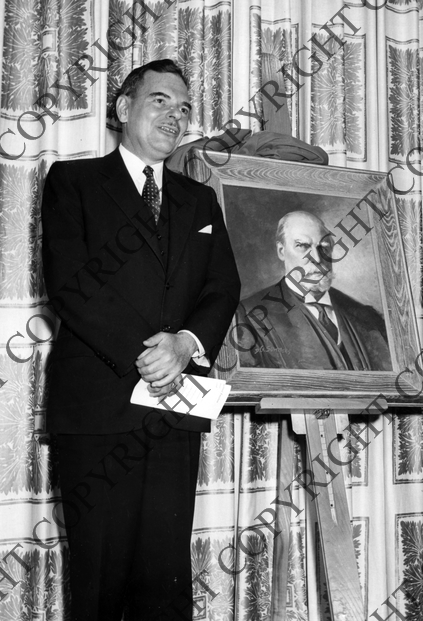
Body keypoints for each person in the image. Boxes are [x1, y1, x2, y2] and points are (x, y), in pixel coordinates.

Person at [42, 59, 241, 620]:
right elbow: (71, 285)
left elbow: (223, 288)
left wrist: (184, 345)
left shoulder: (199, 200)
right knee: (100, 580)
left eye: (184, 109)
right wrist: (151, 353)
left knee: (166, 584)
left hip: (175, 407)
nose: (175, 117)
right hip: (99, 409)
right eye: (160, 101)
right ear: (124, 109)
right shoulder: (72, 181)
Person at [236, 210, 391, 371]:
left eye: (324, 247)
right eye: (303, 246)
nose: (317, 259)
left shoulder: (368, 317)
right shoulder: (248, 316)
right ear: (281, 251)